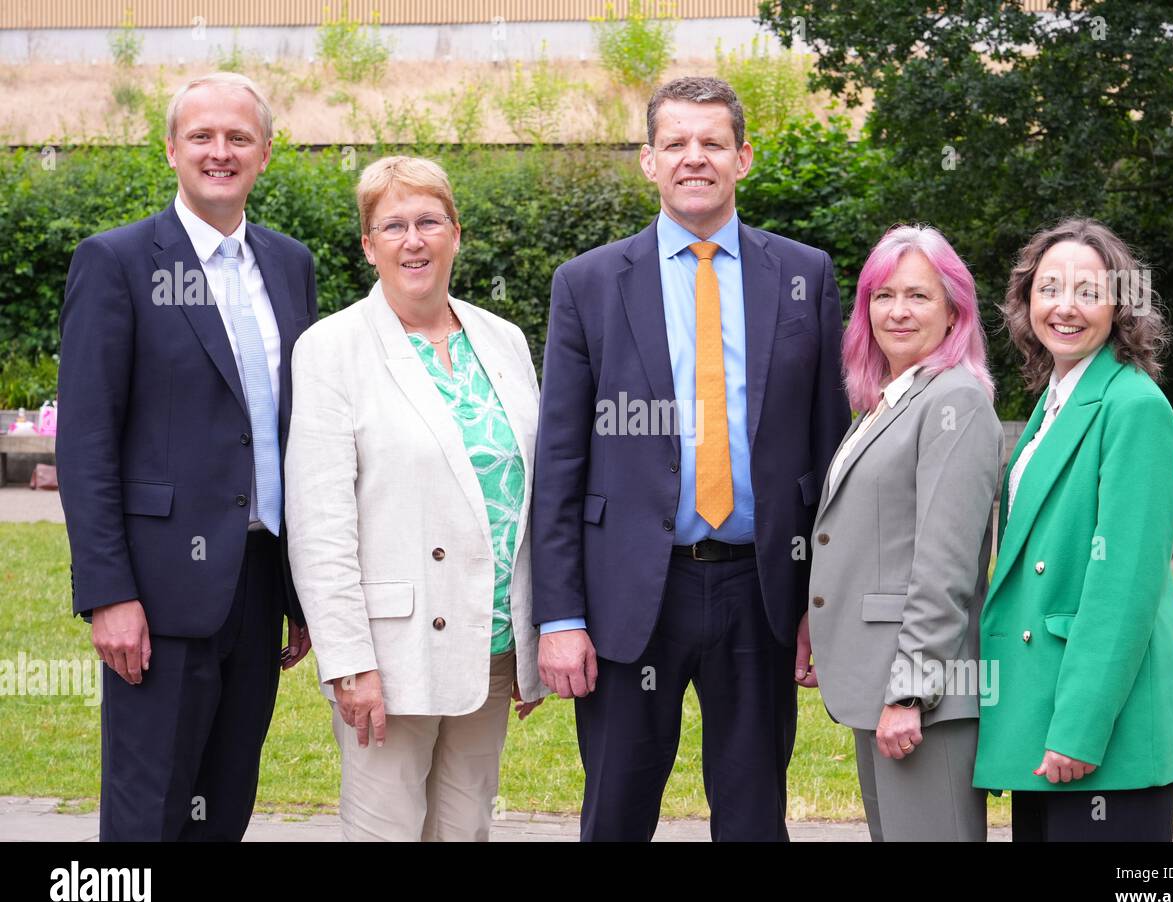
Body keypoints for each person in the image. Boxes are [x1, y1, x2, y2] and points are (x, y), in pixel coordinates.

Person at [531, 76, 850, 842]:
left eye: (712, 143)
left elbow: (829, 453)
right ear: (649, 161)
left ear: (743, 157)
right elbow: (560, 464)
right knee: (615, 813)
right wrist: (561, 615)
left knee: (752, 817)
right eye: (675, 143)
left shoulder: (805, 275)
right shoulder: (589, 284)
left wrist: (820, 601)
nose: (694, 158)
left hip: (761, 589)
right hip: (630, 593)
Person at [57, 72, 317, 841]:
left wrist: (301, 594)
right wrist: (109, 593)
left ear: (265, 153)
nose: (220, 151)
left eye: (238, 137)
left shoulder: (289, 262)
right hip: (159, 592)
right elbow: (87, 442)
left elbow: (292, 424)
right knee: (148, 815)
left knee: (225, 802)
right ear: (171, 149)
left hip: (261, 578)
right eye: (201, 135)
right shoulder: (117, 262)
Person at [285, 156, 546, 842]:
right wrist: (347, 662)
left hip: (489, 647)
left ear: (456, 233)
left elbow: (527, 500)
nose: (414, 240)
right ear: (369, 245)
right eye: (392, 225)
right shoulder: (331, 349)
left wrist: (529, 635)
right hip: (391, 654)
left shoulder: (504, 340)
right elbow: (320, 524)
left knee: (465, 830)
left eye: (429, 220)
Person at [973, 217, 1173, 841]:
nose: (1064, 307)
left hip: (1100, 734)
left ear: (1120, 306)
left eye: (1087, 291)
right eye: (1048, 288)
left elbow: (1122, 587)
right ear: (1025, 301)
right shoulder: (1054, 398)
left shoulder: (1135, 407)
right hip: (1043, 717)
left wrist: (1079, 728)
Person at [804, 225, 1001, 841]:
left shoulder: (957, 401)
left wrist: (911, 692)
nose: (897, 311)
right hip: (878, 681)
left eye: (918, 295)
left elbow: (944, 567)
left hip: (922, 697)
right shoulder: (887, 401)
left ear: (954, 311)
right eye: (882, 296)